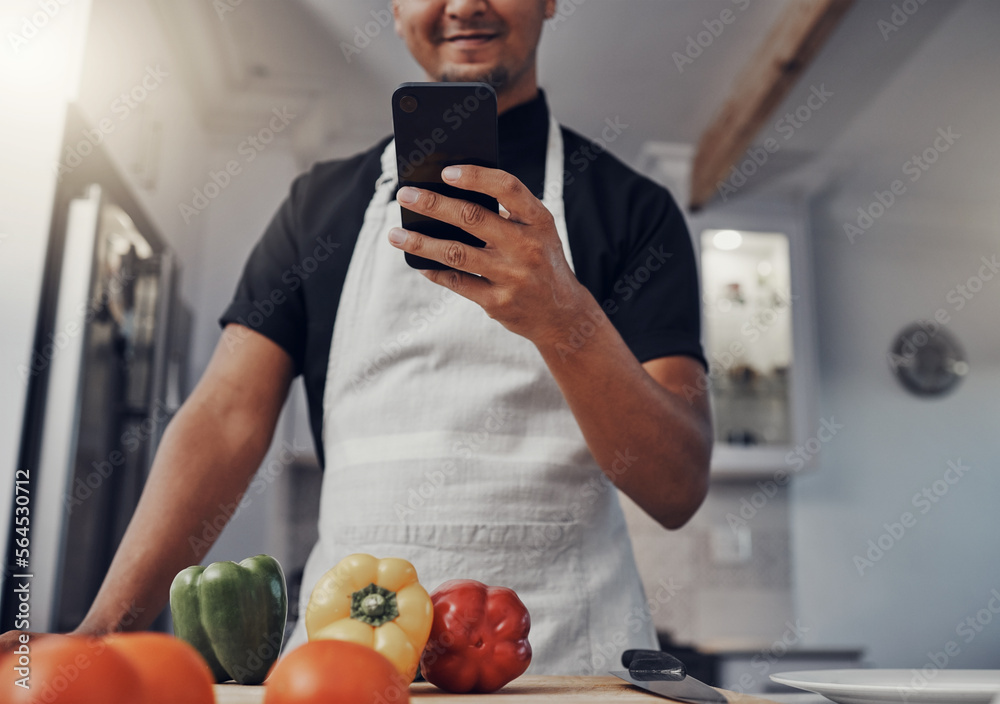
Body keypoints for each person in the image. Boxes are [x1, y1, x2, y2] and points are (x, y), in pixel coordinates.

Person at [1, 0, 711, 674]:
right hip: (346, 661)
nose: (463, 5)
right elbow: (224, 418)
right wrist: (102, 634)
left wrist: (565, 321)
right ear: (396, 9)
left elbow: (676, 487)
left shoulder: (634, 212)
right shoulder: (318, 207)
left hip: (564, 664)